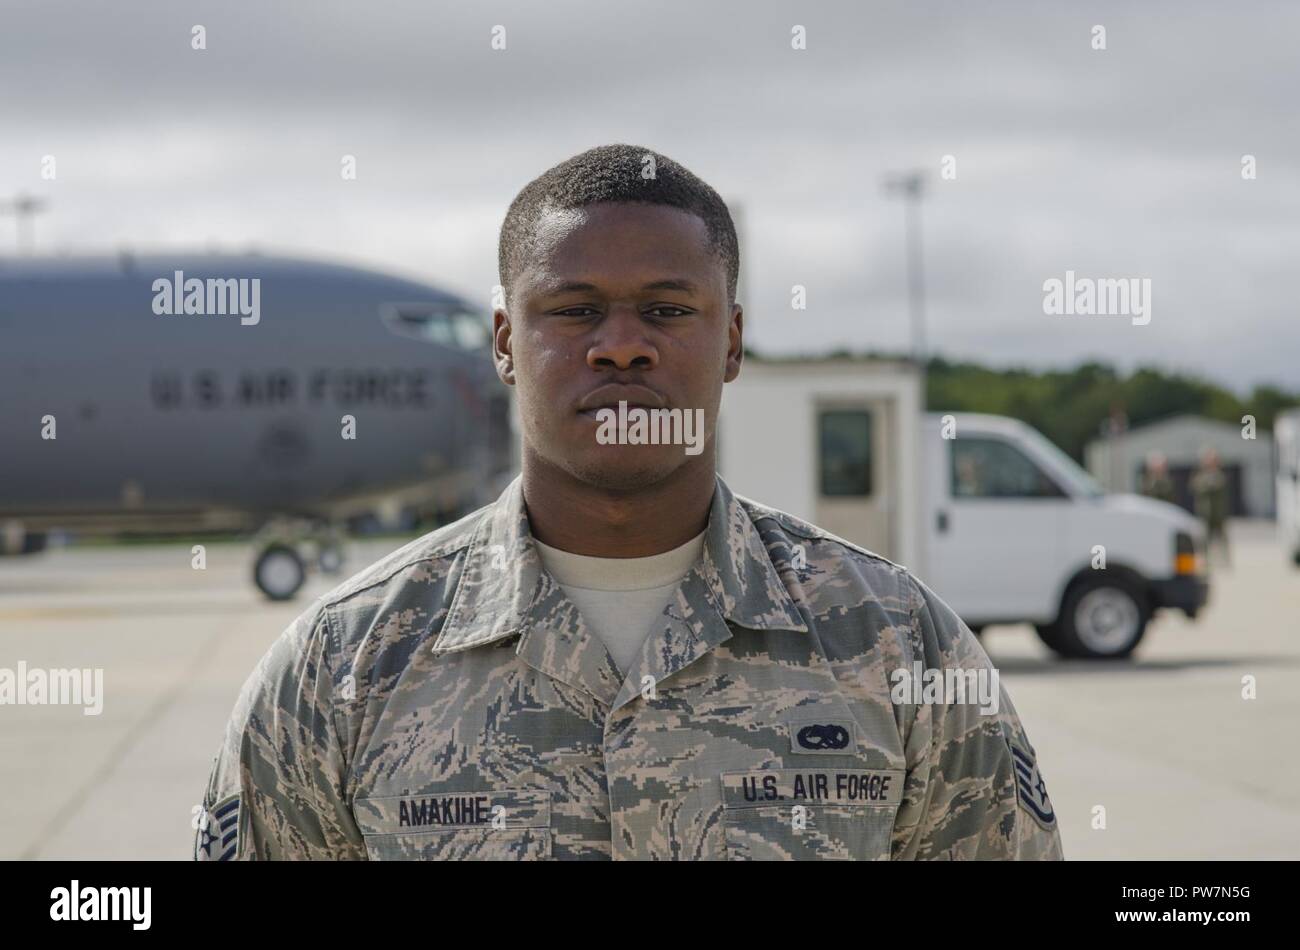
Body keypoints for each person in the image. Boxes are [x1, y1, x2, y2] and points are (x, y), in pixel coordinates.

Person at [195, 144, 1062, 861]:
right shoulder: (344, 668)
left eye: (666, 309)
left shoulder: (899, 645)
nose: (620, 348)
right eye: (573, 312)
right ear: (505, 344)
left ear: (730, 342)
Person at [1191, 446, 1230, 567]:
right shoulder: (1200, 475)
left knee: (1222, 538)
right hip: (1205, 513)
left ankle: (1224, 560)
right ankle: (1204, 561)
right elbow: (1196, 487)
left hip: (1218, 513)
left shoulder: (1220, 475)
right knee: (1203, 540)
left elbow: (1221, 487)